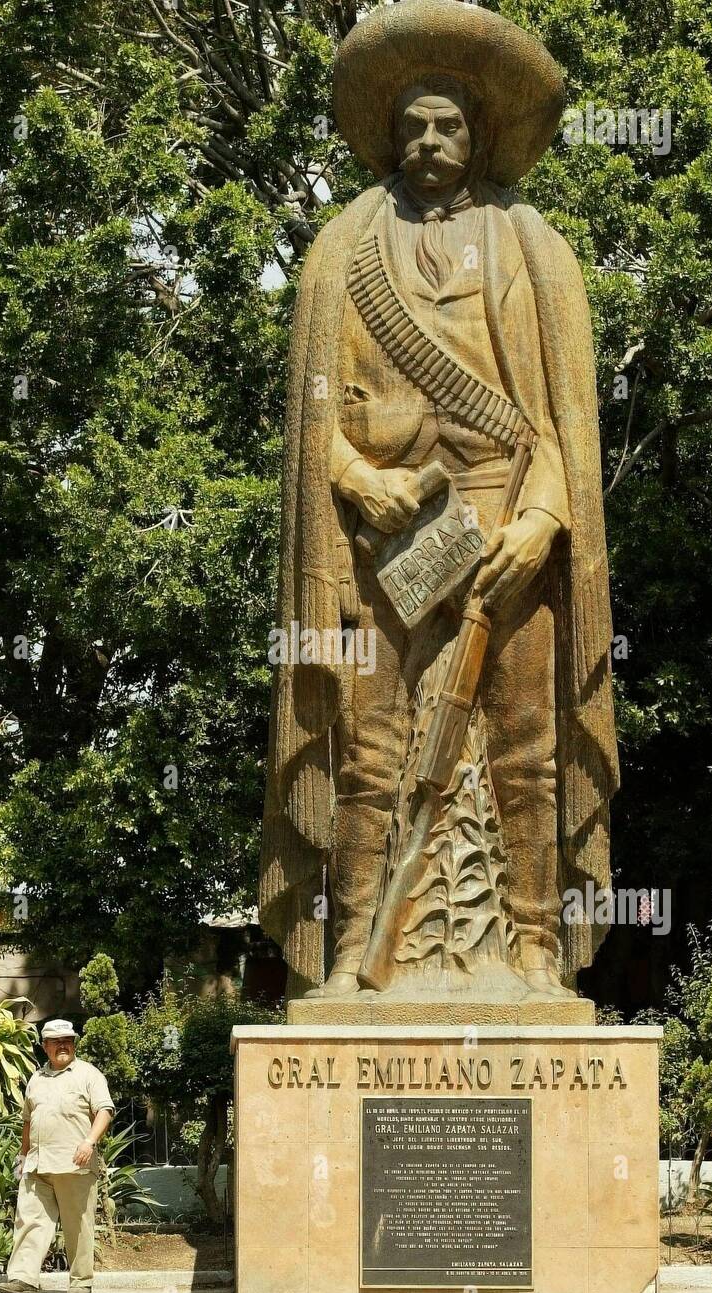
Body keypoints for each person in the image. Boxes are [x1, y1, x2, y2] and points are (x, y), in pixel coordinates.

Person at [260, 0, 619, 1000]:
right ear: (389, 131)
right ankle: (351, 959)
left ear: (478, 132)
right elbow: (310, 423)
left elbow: (567, 428)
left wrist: (544, 519)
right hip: (382, 543)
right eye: (412, 123)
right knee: (369, 745)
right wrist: (356, 480)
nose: (427, 141)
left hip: (507, 526)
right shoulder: (339, 251)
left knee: (524, 742)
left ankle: (536, 953)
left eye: (447, 124)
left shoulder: (531, 246)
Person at [0, 1019, 114, 1293]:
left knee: (78, 1225)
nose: (63, 1045)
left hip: (75, 1164)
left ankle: (81, 1282)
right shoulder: (36, 1079)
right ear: (44, 1047)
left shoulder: (88, 1074)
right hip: (37, 1164)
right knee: (30, 1222)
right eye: (57, 1041)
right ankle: (24, 1279)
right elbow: (28, 1120)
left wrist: (89, 1141)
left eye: (68, 1040)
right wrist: (23, 1155)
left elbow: (105, 1111)